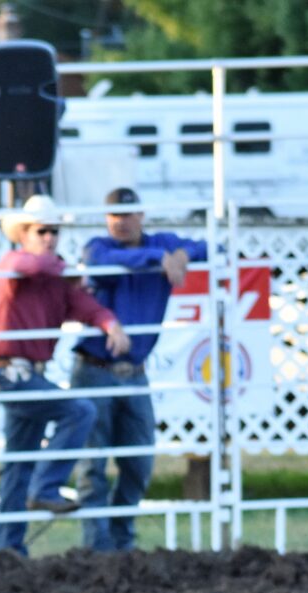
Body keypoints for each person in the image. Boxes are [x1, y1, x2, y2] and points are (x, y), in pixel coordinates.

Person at [0, 194, 128, 557]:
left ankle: (8, 548)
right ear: (24, 234)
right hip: (11, 373)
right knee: (79, 411)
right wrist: (66, 271)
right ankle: (45, 488)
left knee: (19, 461)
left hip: (24, 375)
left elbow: (89, 308)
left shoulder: (57, 278)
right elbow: (29, 266)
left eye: (54, 231)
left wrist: (110, 323)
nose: (49, 237)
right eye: (42, 231)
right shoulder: (15, 265)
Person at [71, 188, 207, 552]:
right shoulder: (99, 246)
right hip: (94, 368)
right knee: (92, 465)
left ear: (141, 216)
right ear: (106, 218)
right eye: (115, 214)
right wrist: (160, 257)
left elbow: (206, 246)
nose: (121, 221)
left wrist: (179, 253)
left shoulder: (164, 244)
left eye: (128, 214)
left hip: (134, 371)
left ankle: (121, 542)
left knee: (139, 462)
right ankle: (98, 549)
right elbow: (98, 263)